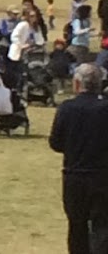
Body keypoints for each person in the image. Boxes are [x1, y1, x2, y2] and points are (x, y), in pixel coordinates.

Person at [50, 63, 108, 254]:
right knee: (102, 225)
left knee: (76, 225)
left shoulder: (67, 108)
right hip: (103, 175)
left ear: (76, 84)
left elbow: (56, 143)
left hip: (74, 175)